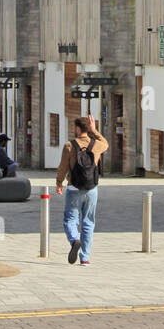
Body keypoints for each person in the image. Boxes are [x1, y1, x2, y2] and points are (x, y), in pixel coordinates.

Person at [56, 114, 108, 266]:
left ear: (78, 129)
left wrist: (59, 183)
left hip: (74, 188)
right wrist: (95, 130)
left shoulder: (69, 145)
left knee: (70, 219)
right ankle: (85, 258)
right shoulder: (97, 145)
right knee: (88, 222)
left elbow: (63, 167)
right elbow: (106, 144)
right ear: (88, 128)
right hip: (91, 188)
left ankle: (74, 240)